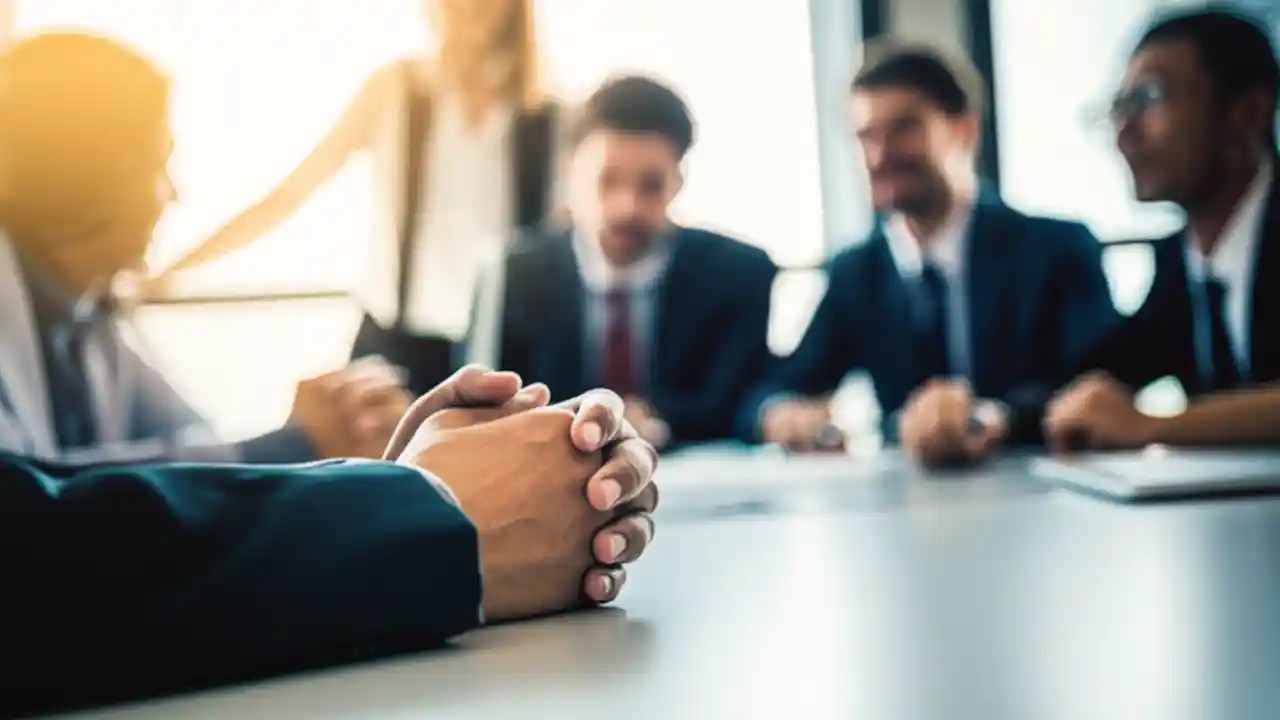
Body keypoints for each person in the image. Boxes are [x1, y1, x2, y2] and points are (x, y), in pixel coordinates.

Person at [0, 365, 661, 715]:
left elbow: (124, 496)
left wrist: (392, 481)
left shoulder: (86, 319)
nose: (170, 194)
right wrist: (412, 510)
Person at [0, 32, 409, 464]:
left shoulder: (87, 316)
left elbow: (187, 441)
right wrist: (295, 444)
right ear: (86, 176)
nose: (174, 194)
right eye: (157, 165)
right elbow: (29, 498)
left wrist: (302, 432)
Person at [156, 0, 563, 393]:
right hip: (392, 357)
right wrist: (172, 273)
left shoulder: (546, 111)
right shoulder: (393, 89)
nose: (466, 8)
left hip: (502, 361)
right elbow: (289, 196)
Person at [750, 40, 1119, 464]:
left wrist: (993, 418)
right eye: (866, 135)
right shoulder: (857, 272)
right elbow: (775, 389)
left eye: (904, 128)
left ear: (964, 128)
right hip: (905, 505)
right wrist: (782, 415)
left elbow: (1099, 381)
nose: (880, 155)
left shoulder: (1056, 249)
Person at [500, 76, 778, 449]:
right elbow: (499, 413)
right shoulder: (515, 276)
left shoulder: (739, 275)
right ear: (570, 173)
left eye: (650, 185)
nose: (627, 206)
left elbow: (739, 403)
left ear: (678, 181)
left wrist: (658, 421)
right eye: (607, 181)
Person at [1045, 9, 1280, 450]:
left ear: (1247, 113)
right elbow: (1100, 373)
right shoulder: (1180, 259)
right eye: (1119, 109)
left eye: (1149, 99)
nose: (1124, 135)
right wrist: (988, 418)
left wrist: (1152, 426)